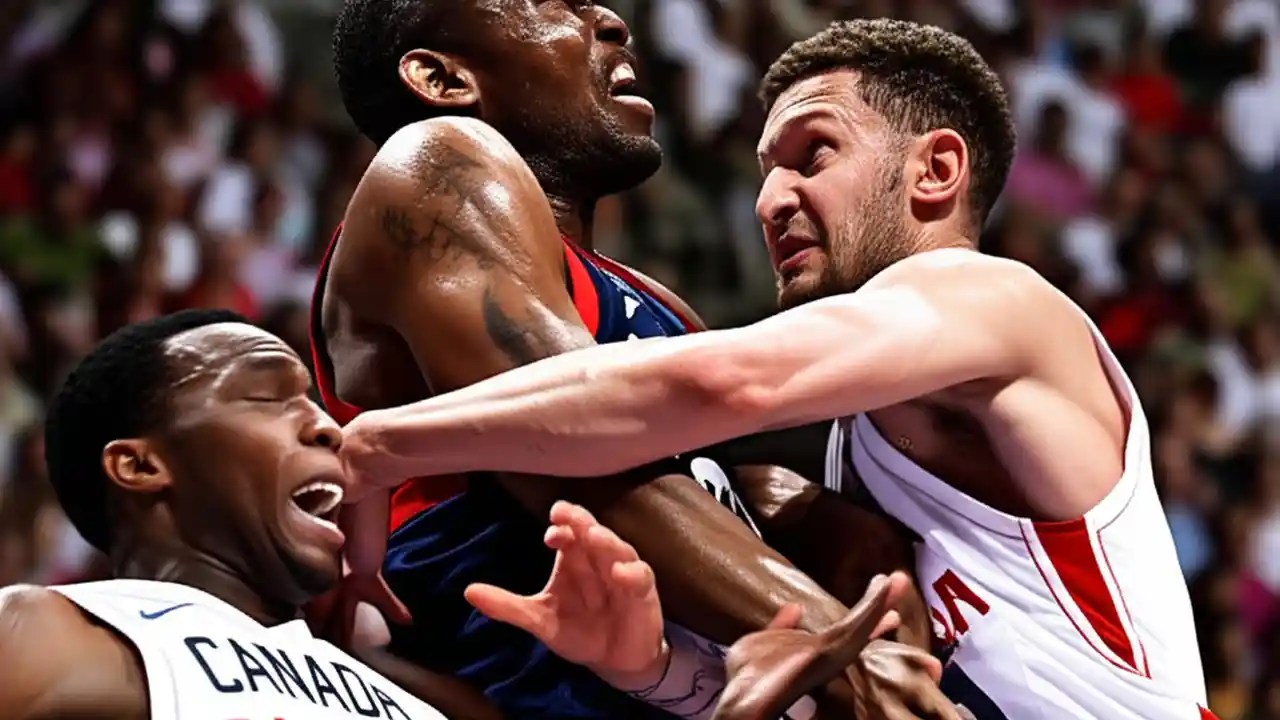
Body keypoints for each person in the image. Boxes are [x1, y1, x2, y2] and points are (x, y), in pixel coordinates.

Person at [342, 19, 1219, 720]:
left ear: (936, 171)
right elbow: (797, 651)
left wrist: (385, 441)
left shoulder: (989, 299)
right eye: (764, 172)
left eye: (814, 156)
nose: (769, 201)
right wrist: (650, 667)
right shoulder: (851, 437)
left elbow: (711, 390)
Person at [318, 2, 923, 717]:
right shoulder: (429, 167)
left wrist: (811, 517)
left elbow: (697, 486)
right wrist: (845, 646)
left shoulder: (650, 299)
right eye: (554, 4)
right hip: (512, 682)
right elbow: (578, 452)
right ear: (441, 78)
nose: (609, 19)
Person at [0, 310, 930, 720]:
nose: (325, 425)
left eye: (315, 401)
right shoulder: (58, 635)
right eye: (266, 395)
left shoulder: (421, 692)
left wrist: (688, 688)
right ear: (138, 464)